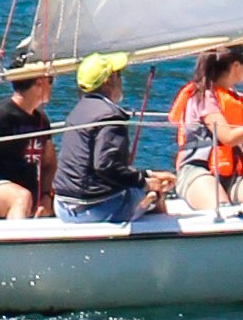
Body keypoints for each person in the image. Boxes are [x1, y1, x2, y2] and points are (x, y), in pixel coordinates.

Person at [56, 50, 169, 223]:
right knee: (154, 192)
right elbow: (106, 165)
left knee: (144, 187)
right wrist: (146, 184)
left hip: (63, 207)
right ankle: (163, 241)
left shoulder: (77, 112)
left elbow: (94, 167)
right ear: (109, 81)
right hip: (94, 210)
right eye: (118, 75)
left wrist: (149, 173)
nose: (121, 81)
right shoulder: (110, 116)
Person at [0, 49, 57, 221]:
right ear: (39, 83)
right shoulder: (1, 116)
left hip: (28, 187)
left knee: (64, 199)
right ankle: (20, 246)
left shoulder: (41, 121)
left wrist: (46, 195)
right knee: (22, 197)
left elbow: (49, 163)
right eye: (50, 81)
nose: (52, 86)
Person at [169, 41, 243, 213]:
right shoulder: (204, 97)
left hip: (233, 175)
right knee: (222, 209)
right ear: (236, 66)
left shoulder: (238, 99)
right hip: (198, 171)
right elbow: (228, 138)